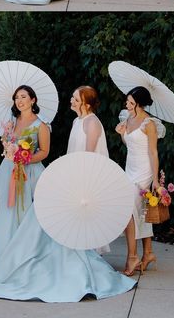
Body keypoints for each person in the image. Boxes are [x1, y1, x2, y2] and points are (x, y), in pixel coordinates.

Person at [0, 85, 135, 302]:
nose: (20, 101)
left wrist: (25, 158)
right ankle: (0, 262)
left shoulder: (46, 125)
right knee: (4, 216)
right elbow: (9, 145)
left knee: (36, 218)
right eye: (17, 97)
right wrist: (8, 146)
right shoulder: (14, 123)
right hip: (8, 173)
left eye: (24, 97)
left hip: (37, 174)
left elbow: (48, 152)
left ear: (33, 100)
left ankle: (31, 260)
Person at [115, 86, 165, 276]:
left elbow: (153, 152)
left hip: (144, 171)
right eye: (127, 101)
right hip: (130, 168)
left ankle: (133, 256)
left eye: (131, 103)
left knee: (129, 210)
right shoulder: (128, 117)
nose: (127, 105)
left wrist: (156, 181)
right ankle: (149, 253)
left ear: (140, 104)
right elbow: (130, 144)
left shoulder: (149, 124)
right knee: (141, 212)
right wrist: (122, 134)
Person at [67, 85, 111, 254]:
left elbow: (89, 155)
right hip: (76, 172)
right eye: (73, 97)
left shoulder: (92, 122)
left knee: (87, 215)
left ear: (86, 105)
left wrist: (81, 177)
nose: (72, 100)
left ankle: (90, 252)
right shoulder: (76, 121)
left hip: (88, 175)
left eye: (76, 99)